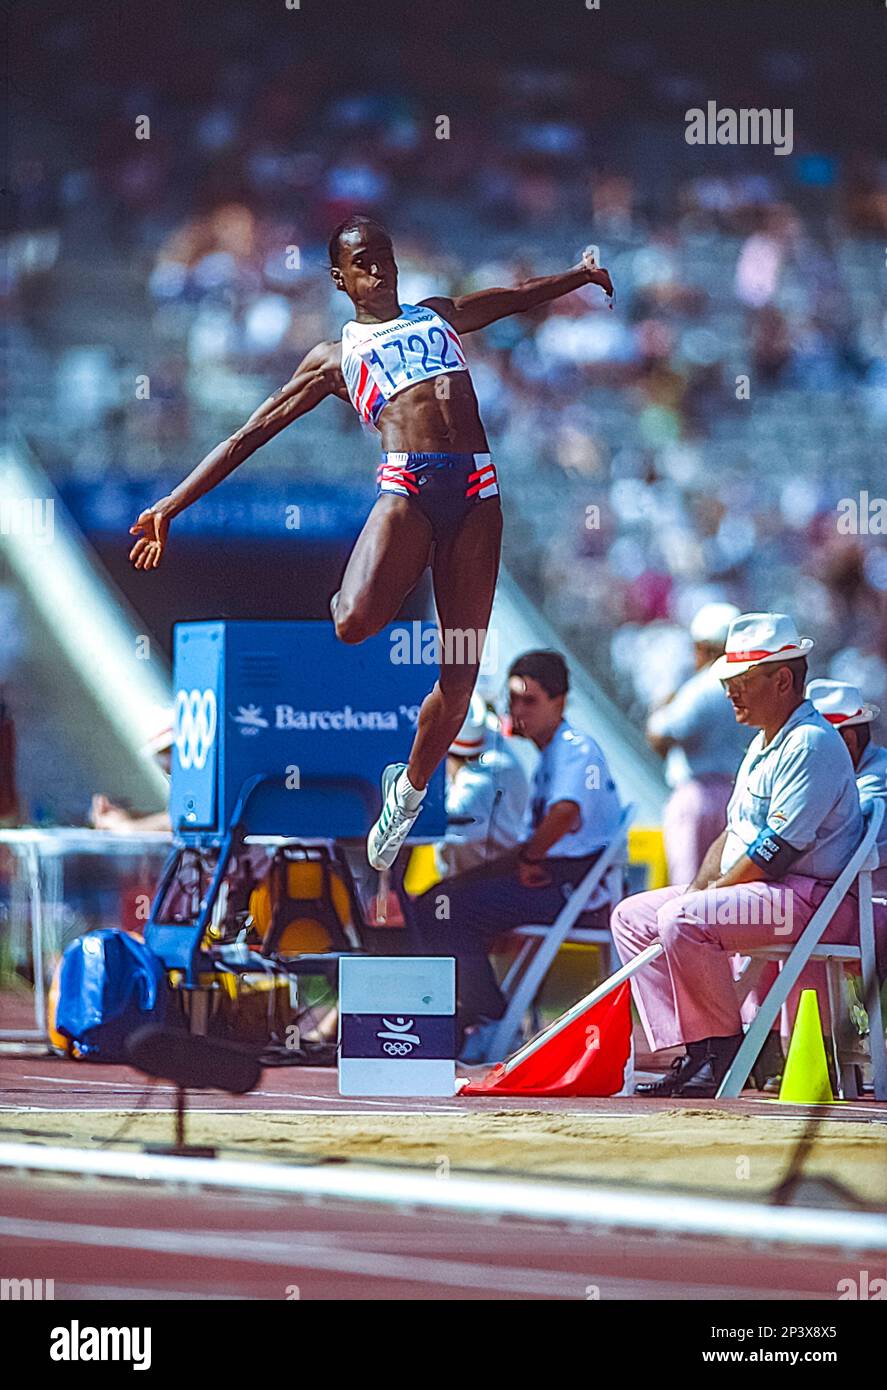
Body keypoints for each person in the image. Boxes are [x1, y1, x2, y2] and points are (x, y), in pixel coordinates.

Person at [128, 216, 614, 869]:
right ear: (340, 277)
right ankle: (394, 583)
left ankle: (407, 794)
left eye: (384, 258)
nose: (379, 270)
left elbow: (512, 295)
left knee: (461, 677)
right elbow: (249, 433)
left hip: (478, 496)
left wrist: (577, 276)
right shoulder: (335, 356)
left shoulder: (435, 315)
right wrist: (173, 504)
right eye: (363, 263)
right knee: (353, 621)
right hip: (408, 489)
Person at [612, 612, 864, 1097]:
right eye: (728, 680)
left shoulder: (810, 742)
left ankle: (723, 1055)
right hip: (774, 895)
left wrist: (703, 899)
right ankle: (697, 1048)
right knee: (632, 916)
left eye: (742, 680)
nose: (730, 691)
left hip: (814, 901)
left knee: (684, 920)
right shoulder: (762, 743)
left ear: (783, 679)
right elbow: (731, 836)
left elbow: (776, 851)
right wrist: (698, 890)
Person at [417, 649, 623, 1052]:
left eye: (530, 700)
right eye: (514, 699)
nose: (518, 710)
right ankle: (471, 1014)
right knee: (438, 900)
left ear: (559, 702)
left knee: (445, 910)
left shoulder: (576, 749)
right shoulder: (553, 752)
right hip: (556, 875)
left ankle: (488, 1017)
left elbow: (565, 811)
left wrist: (528, 860)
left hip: (575, 888)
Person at [646, 602, 749, 885]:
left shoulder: (703, 687)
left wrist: (666, 696)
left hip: (697, 796)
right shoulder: (750, 685)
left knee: (686, 889)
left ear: (704, 647)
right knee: (722, 889)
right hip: (737, 797)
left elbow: (659, 734)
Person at [435, 691, 528, 879]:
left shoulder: (482, 782)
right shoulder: (481, 731)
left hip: (488, 880)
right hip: (469, 871)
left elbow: (430, 822)